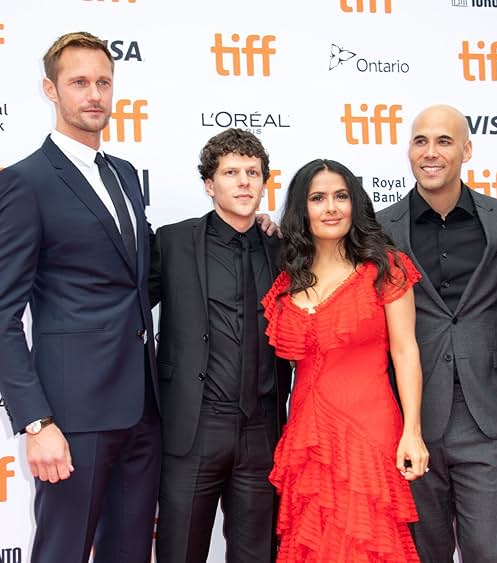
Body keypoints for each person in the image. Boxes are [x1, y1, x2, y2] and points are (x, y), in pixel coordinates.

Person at [0, 32, 160, 563]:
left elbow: (140, 278)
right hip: (71, 417)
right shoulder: (25, 182)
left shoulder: (124, 175)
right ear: (50, 90)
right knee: (62, 552)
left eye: (103, 82)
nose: (94, 95)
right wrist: (37, 422)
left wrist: (243, 227)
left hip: (142, 409)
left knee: (129, 553)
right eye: (79, 82)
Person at [377, 104, 497, 563]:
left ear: (467, 149)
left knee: (489, 550)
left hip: (487, 411)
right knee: (426, 552)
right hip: (412, 415)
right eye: (420, 141)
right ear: (408, 151)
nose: (431, 152)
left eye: (444, 141)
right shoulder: (383, 227)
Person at [262, 158, 429, 562]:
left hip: (368, 431)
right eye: (318, 198)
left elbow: (405, 350)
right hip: (307, 438)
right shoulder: (287, 280)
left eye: (341, 196)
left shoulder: (385, 268)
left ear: (356, 203)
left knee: (365, 543)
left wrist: (413, 430)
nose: (331, 207)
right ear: (303, 209)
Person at [149, 128, 292, 563]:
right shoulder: (171, 242)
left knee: (258, 554)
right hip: (194, 428)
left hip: (262, 432)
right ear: (210, 185)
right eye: (231, 172)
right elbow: (125, 312)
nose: (244, 181)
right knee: (179, 551)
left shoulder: (283, 249)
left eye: (253, 172)